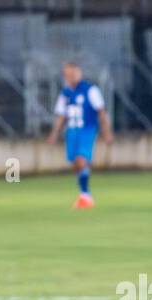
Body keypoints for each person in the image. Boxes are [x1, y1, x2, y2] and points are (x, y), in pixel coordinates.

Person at [46, 62, 114, 209]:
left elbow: (102, 111)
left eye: (74, 73)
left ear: (79, 73)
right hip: (72, 131)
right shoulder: (65, 93)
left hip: (87, 129)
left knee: (81, 159)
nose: (72, 76)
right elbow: (61, 116)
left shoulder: (90, 90)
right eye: (68, 74)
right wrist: (54, 134)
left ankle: (85, 196)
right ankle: (84, 194)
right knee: (75, 163)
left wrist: (106, 132)